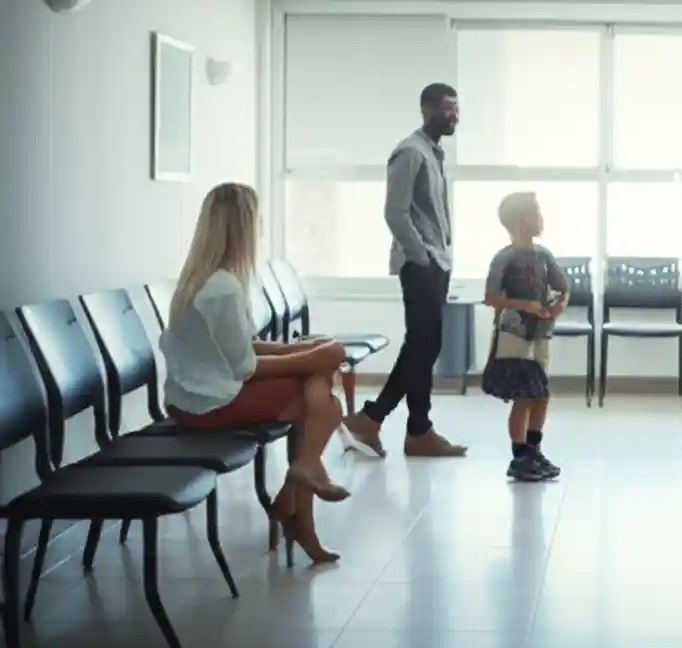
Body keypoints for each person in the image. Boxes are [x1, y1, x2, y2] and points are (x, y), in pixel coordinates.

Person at [160, 182, 350, 564]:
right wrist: (310, 358)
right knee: (323, 397)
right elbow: (244, 367)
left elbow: (241, 346)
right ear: (243, 227)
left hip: (195, 395)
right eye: (257, 222)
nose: (260, 230)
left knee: (320, 380)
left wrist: (298, 349)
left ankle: (299, 487)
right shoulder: (223, 288)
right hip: (207, 404)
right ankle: (300, 488)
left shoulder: (208, 278)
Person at [342, 83, 467, 459]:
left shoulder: (433, 153)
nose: (454, 116)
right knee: (422, 346)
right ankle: (390, 422)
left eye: (457, 109)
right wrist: (421, 256)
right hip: (421, 264)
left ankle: (408, 427)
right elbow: (394, 212)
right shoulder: (410, 152)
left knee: (424, 346)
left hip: (435, 261)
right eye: (447, 108)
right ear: (426, 108)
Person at [481, 192, 568, 482]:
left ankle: (534, 448)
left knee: (541, 394)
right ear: (520, 220)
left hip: (541, 334)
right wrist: (523, 306)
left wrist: (557, 306)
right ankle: (519, 455)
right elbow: (491, 298)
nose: (541, 220)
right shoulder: (504, 258)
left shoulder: (544, 256)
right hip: (514, 335)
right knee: (524, 395)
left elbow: (562, 287)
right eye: (536, 214)